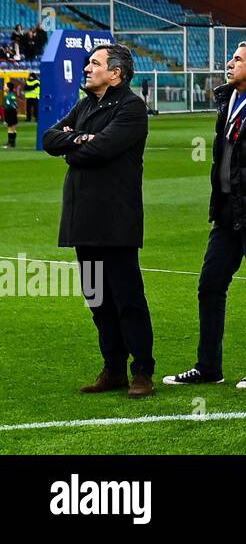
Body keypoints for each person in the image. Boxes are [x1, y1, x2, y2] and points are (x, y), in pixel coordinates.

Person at [162, 42, 246, 389]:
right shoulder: (228, 101)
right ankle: (209, 367)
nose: (229, 63)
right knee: (210, 285)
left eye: (238, 59)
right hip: (226, 212)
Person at [43, 44, 153, 397]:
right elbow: (49, 139)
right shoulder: (86, 104)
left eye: (94, 63)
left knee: (127, 298)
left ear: (116, 73)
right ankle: (114, 369)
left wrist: (74, 146)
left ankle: (142, 372)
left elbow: (99, 150)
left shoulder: (131, 107)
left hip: (115, 220)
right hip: (82, 219)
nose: (87, 68)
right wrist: (79, 139)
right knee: (97, 299)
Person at [3, 81, 17, 147]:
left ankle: (10, 143)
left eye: (5, 86)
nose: (4, 87)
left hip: (10, 112)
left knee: (10, 128)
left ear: (8, 88)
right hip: (13, 111)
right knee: (13, 128)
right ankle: (13, 143)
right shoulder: (12, 95)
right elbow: (15, 104)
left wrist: (6, 115)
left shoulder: (8, 96)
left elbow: (8, 105)